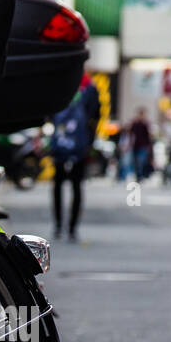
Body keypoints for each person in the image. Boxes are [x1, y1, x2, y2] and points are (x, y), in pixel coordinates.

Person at [49, 75, 100, 241]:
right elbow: (95, 117)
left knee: (58, 185)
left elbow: (51, 115)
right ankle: (72, 228)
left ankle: (58, 225)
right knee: (77, 186)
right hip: (80, 146)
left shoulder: (61, 85)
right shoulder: (90, 89)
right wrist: (89, 142)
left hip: (60, 143)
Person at [128, 108, 154, 181]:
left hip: (143, 146)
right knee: (135, 161)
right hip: (135, 145)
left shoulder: (146, 124)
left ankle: (140, 176)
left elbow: (150, 135)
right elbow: (131, 134)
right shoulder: (135, 123)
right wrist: (130, 144)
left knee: (141, 161)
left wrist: (149, 146)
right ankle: (138, 175)